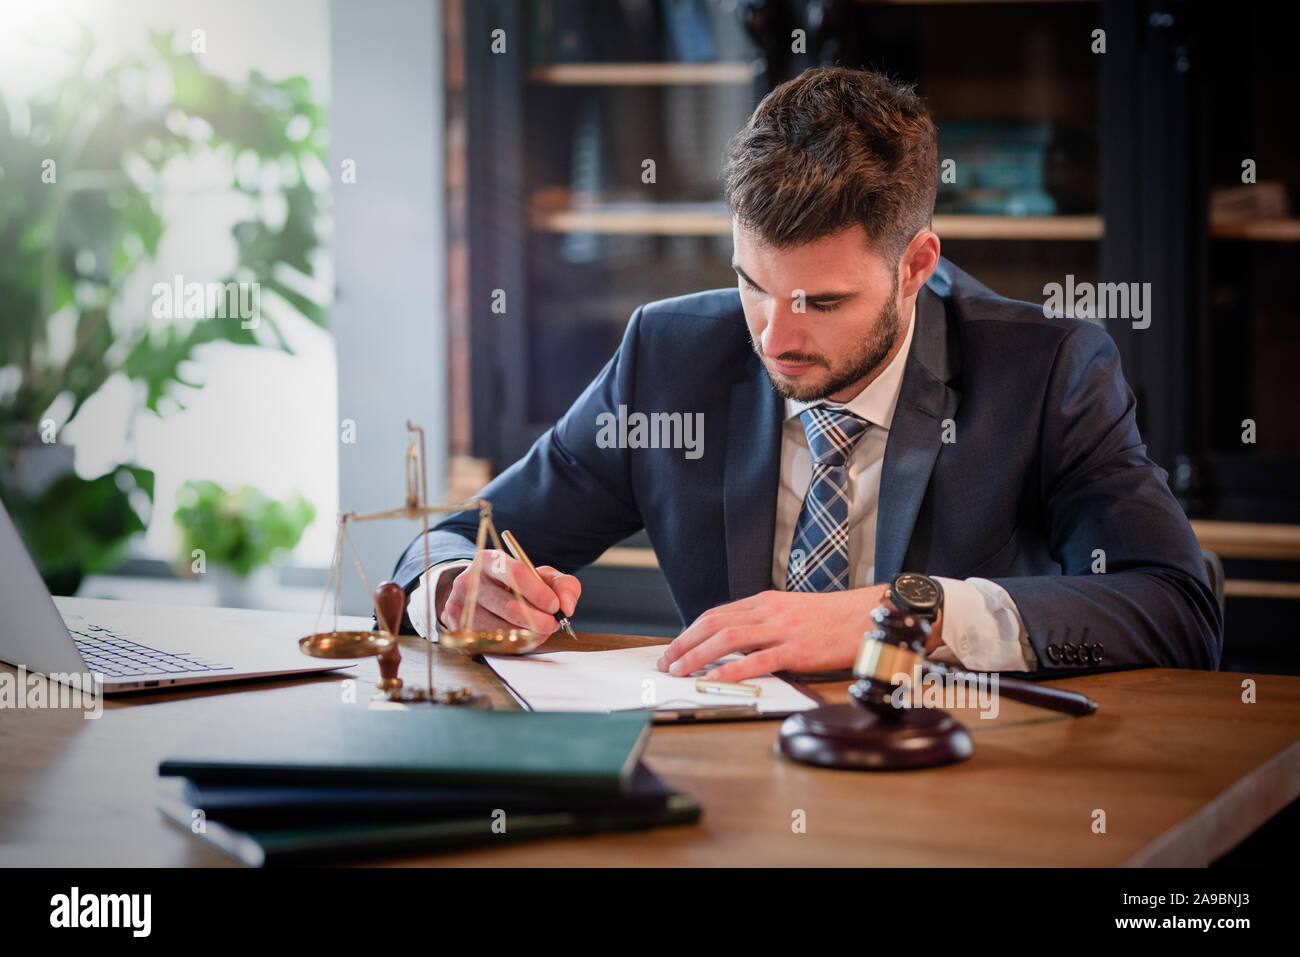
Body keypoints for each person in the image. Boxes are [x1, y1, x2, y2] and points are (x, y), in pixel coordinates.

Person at [393, 66, 1222, 683]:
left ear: (915, 265)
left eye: (822, 301)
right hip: (728, 796)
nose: (774, 336)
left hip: (968, 789)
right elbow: (457, 537)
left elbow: (1178, 608)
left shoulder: (1046, 372)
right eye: (752, 284)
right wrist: (454, 591)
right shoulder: (669, 356)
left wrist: (901, 613)